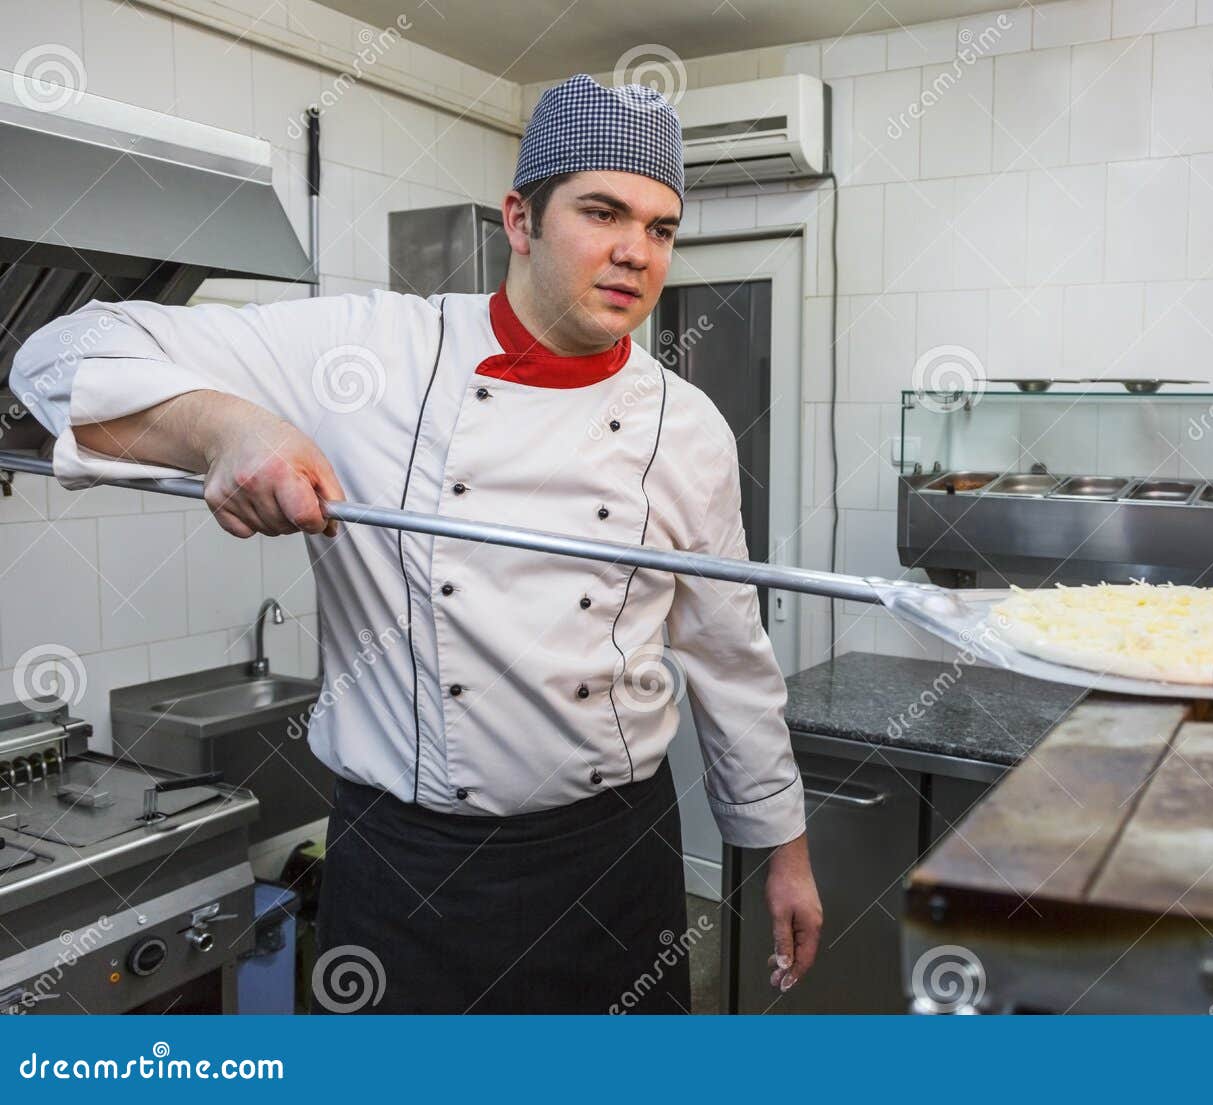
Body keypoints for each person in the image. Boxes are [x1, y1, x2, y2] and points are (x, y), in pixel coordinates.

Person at [13, 74, 821, 1014]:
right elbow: (53, 357)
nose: (635, 252)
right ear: (520, 218)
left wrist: (784, 849)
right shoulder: (367, 354)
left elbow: (729, 656)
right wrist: (226, 428)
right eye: (603, 211)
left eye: (660, 227)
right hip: (408, 869)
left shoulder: (689, 426)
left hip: (616, 860)